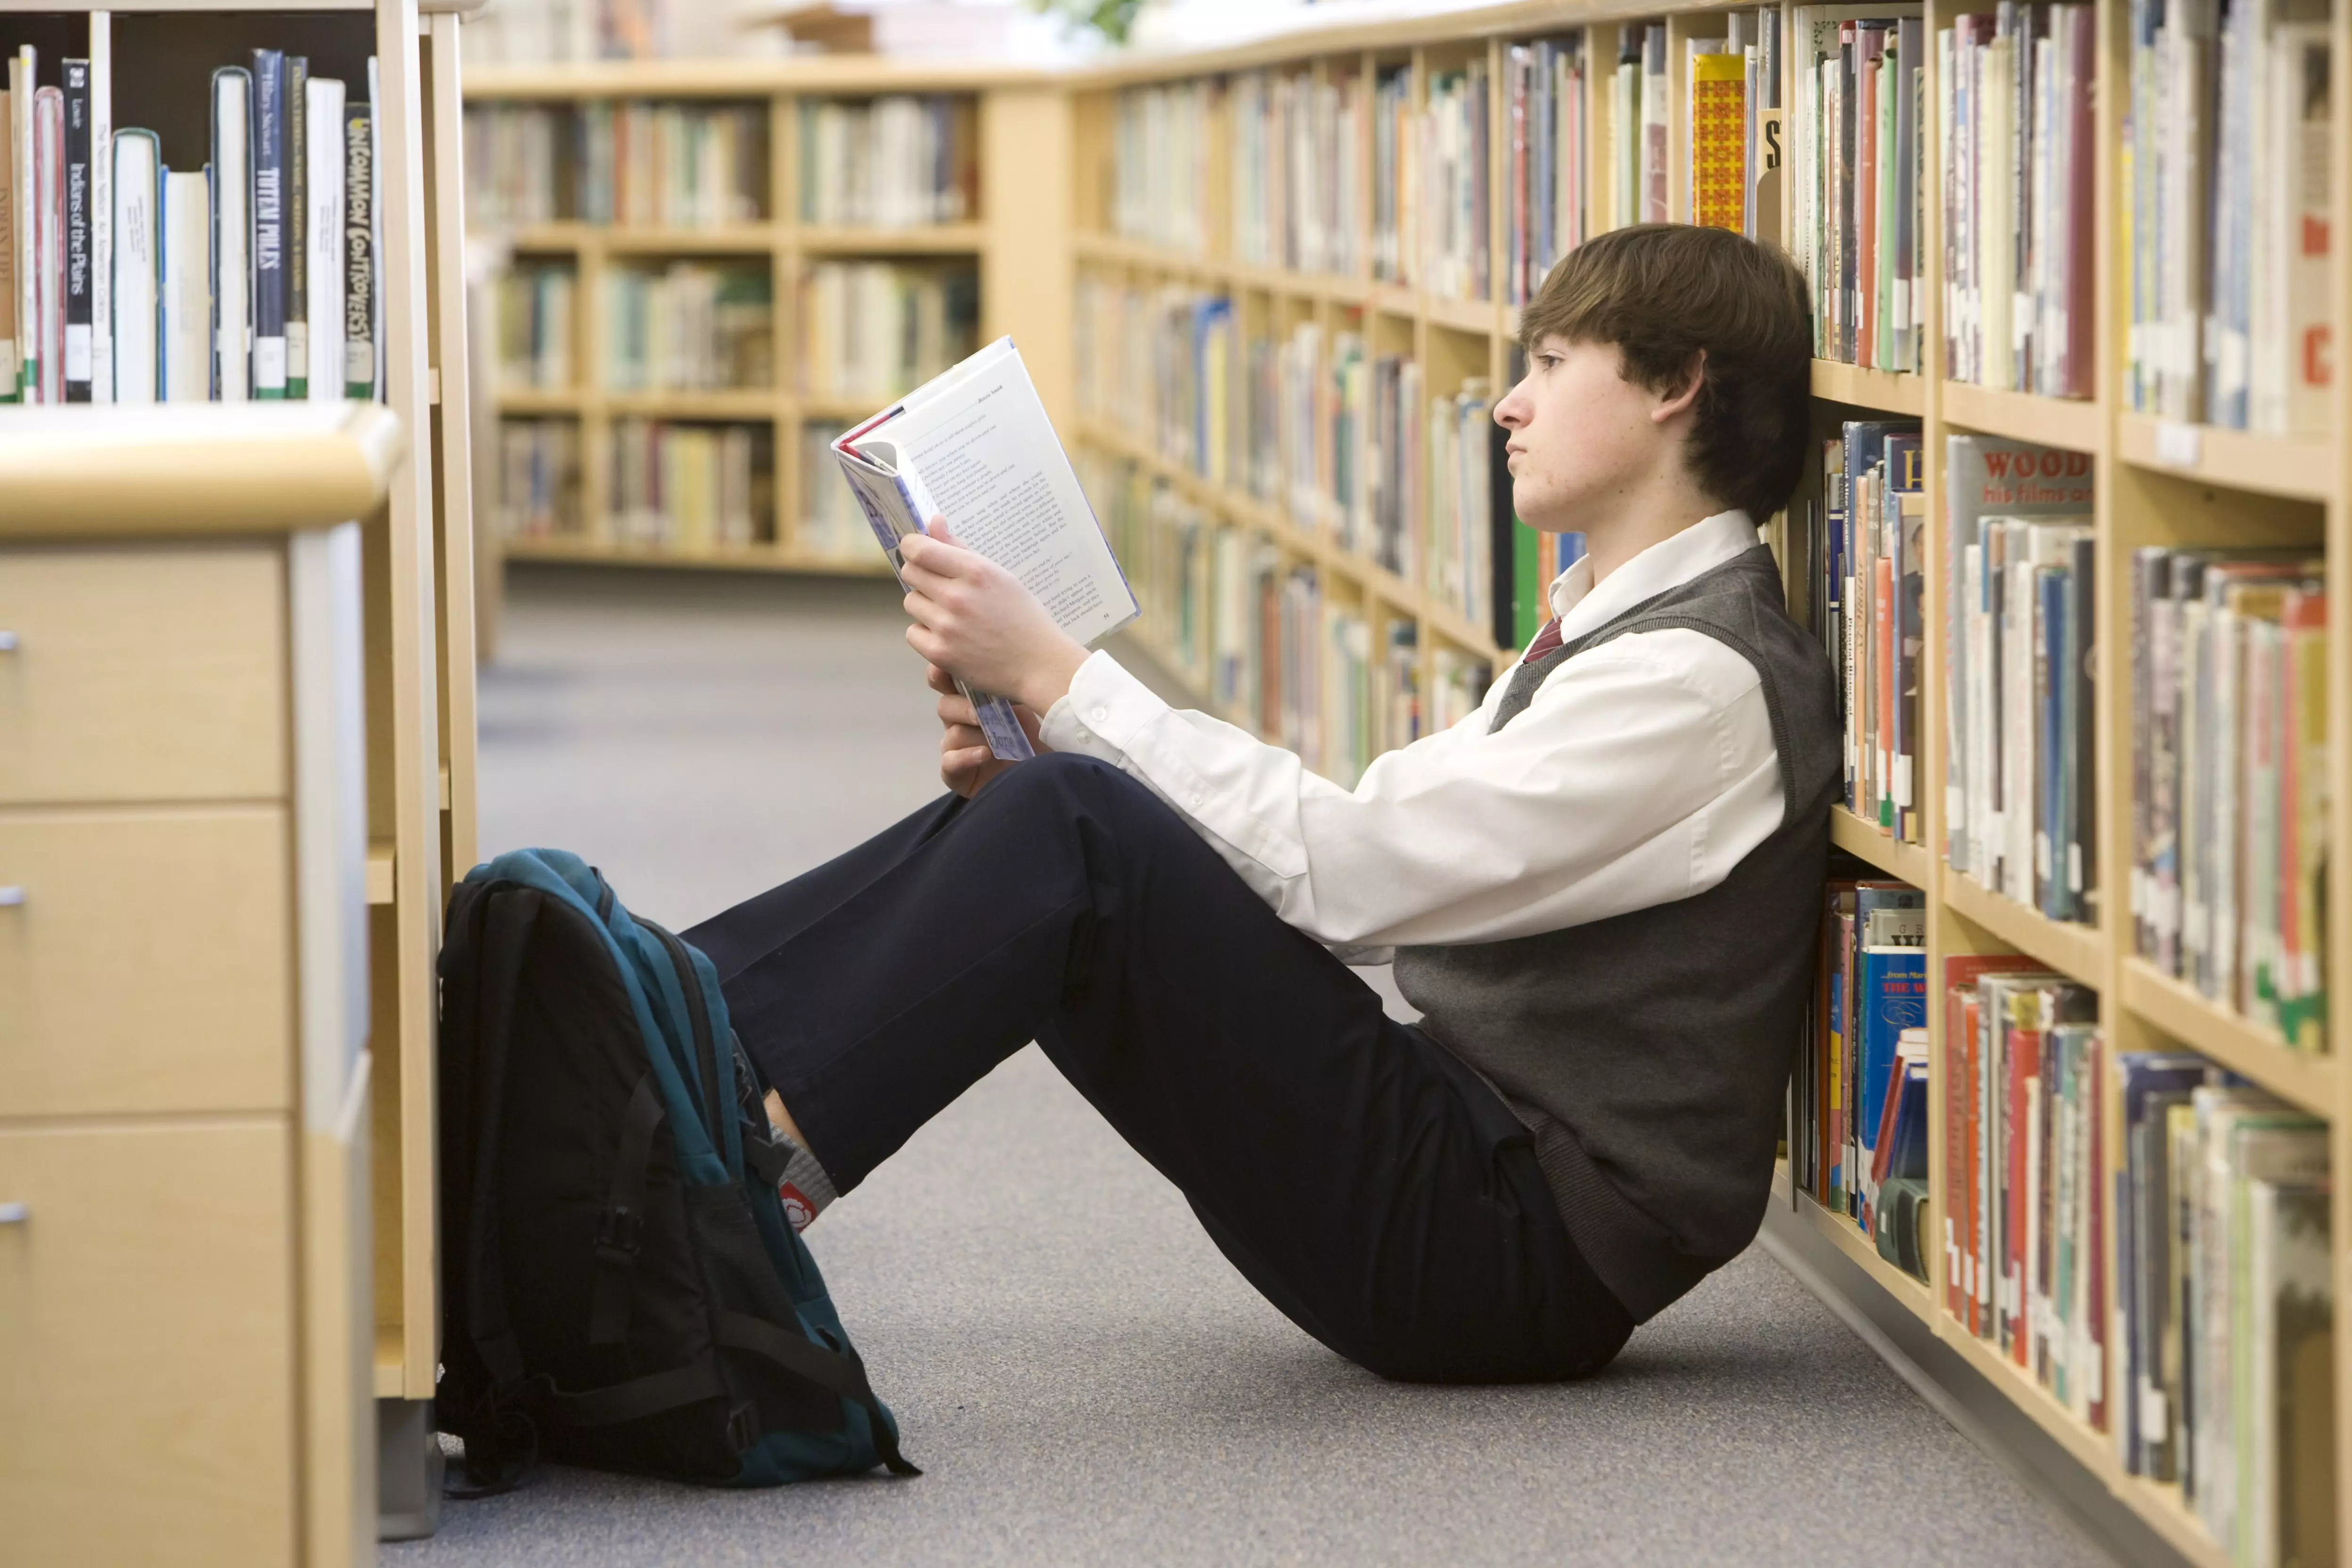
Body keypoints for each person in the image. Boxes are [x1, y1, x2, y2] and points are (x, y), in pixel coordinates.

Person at [684, 222, 1836, 1383]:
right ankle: (686, 1052)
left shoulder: (1696, 682)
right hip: (1474, 1161)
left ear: (1677, 384)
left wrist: (1063, 679)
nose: (1507, 406)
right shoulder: (1607, 627)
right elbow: (1367, 831)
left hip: (1515, 1248)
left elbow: (1351, 883)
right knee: (1050, 814)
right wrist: (1054, 754)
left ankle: (723, 1169)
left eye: (1549, 362)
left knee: (1075, 825)